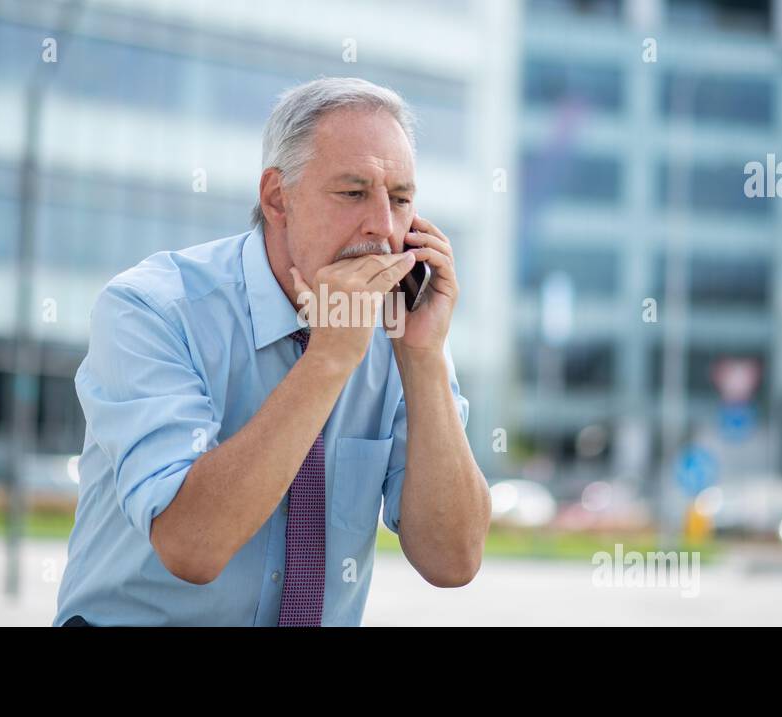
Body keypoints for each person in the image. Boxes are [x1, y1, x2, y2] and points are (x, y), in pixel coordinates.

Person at [54, 77, 490, 627]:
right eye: (353, 193)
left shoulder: (403, 329)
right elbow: (192, 547)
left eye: (401, 200)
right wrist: (329, 358)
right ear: (277, 198)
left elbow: (453, 561)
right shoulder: (152, 310)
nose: (383, 228)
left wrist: (424, 358)